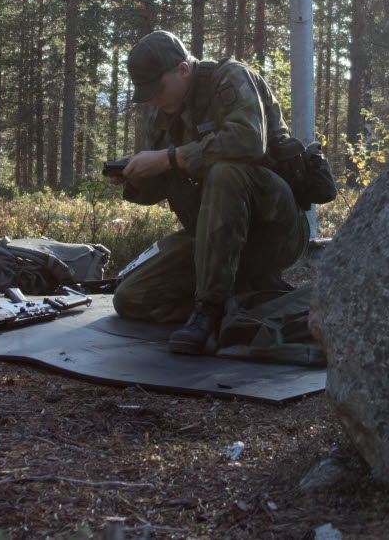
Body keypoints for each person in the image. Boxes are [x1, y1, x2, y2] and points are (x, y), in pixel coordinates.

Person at [109, 31, 309, 355]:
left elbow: (248, 141)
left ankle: (209, 310)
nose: (153, 100)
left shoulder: (230, 78)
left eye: (157, 89)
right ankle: (244, 300)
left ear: (183, 69)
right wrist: (136, 175)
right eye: (147, 93)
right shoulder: (163, 117)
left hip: (273, 230)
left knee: (225, 171)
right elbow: (156, 188)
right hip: (212, 239)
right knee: (130, 298)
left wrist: (170, 158)